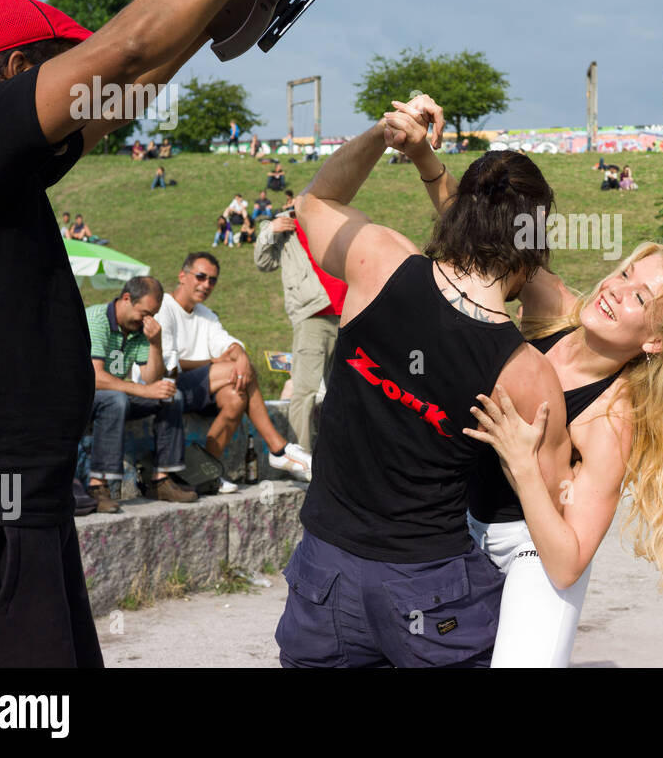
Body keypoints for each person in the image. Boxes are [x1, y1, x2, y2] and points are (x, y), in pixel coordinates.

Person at [0, 0, 331, 668]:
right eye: (57, 67)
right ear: (14, 71)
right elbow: (126, 50)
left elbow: (115, 90)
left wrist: (221, 11)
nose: (78, 91)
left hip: (10, 523)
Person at [388, 94, 663, 667]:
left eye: (639, 296)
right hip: (460, 524)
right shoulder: (556, 306)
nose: (615, 289)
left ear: (656, 340)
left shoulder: (610, 420)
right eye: (625, 272)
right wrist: (427, 157)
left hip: (531, 550)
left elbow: (568, 559)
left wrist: (525, 466)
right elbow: (483, 236)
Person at [275, 98, 571, 669]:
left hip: (325, 573)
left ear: (457, 217)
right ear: (531, 249)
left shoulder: (379, 261)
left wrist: (387, 135)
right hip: (432, 590)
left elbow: (316, 201)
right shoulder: (527, 373)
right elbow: (553, 518)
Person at [153, 253, 313, 489]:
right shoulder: (163, 307)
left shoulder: (205, 315)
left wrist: (241, 356)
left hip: (200, 389)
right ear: (182, 276)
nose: (206, 284)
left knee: (236, 397)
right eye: (201, 277)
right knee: (232, 369)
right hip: (166, 387)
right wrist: (214, 362)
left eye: (212, 280)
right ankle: (278, 447)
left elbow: (229, 343)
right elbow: (167, 363)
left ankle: (208, 470)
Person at [85, 276, 197, 512]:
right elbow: (93, 377)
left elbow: (151, 379)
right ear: (126, 298)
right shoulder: (96, 320)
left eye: (153, 315)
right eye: (145, 313)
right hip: (82, 396)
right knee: (116, 399)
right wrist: (142, 390)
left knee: (170, 395)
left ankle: (161, 480)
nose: (148, 320)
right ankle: (98, 486)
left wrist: (155, 344)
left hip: (117, 394)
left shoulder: (139, 330)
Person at [254, 206, 349, 453]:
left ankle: (339, 458)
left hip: (347, 314)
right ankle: (302, 458)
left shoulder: (334, 223)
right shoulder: (287, 226)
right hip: (313, 313)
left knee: (344, 392)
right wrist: (270, 230)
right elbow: (263, 262)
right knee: (305, 390)